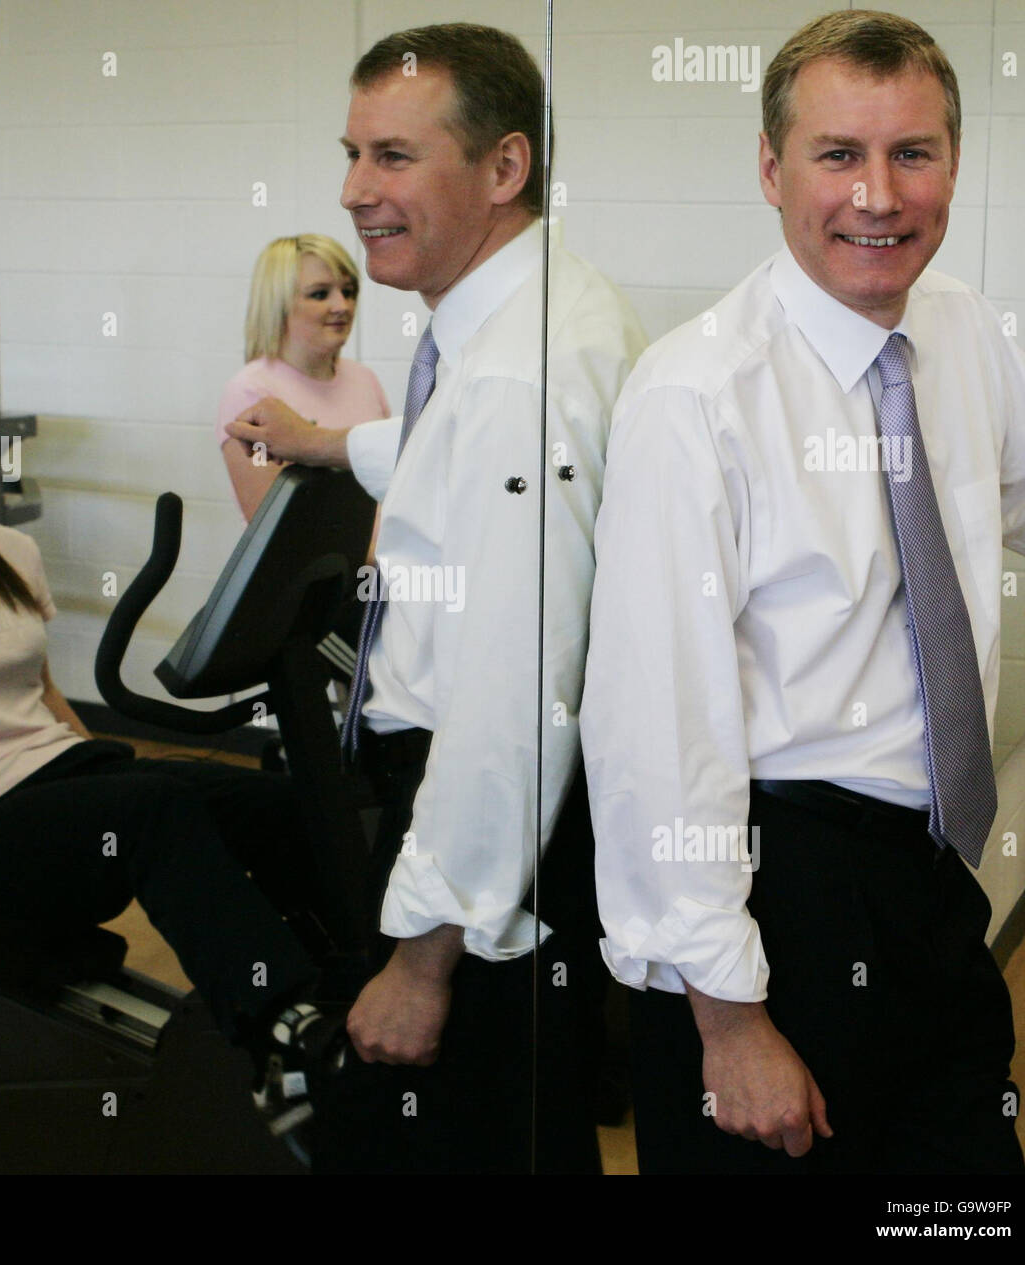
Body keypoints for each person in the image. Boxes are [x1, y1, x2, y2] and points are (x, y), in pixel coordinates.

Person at [582, 8, 1025, 1174]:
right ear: (769, 167)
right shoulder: (694, 393)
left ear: (954, 160)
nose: (878, 197)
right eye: (838, 155)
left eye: (913, 153)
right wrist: (729, 1020)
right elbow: (656, 725)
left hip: (932, 879)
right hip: (770, 893)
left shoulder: (962, 330)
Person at [228, 23, 647, 1172]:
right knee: (521, 1123)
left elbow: (513, 692)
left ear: (503, 168)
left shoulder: (516, 372)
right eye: (353, 153)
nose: (356, 191)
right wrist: (333, 444)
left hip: (482, 829)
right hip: (520, 829)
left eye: (394, 157)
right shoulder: (532, 314)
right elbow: (446, 448)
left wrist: (421, 959)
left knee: (430, 1131)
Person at [0, 371, 344, 1138]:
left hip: (55, 775)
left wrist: (113, 771)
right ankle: (280, 1034)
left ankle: (338, 989)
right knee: (154, 806)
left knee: (266, 802)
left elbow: (44, 697)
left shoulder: (11, 551)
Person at [217, 234, 390, 522]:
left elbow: (391, 485)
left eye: (348, 292)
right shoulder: (251, 392)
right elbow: (276, 524)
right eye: (320, 294)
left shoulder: (364, 379)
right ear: (279, 304)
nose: (342, 306)